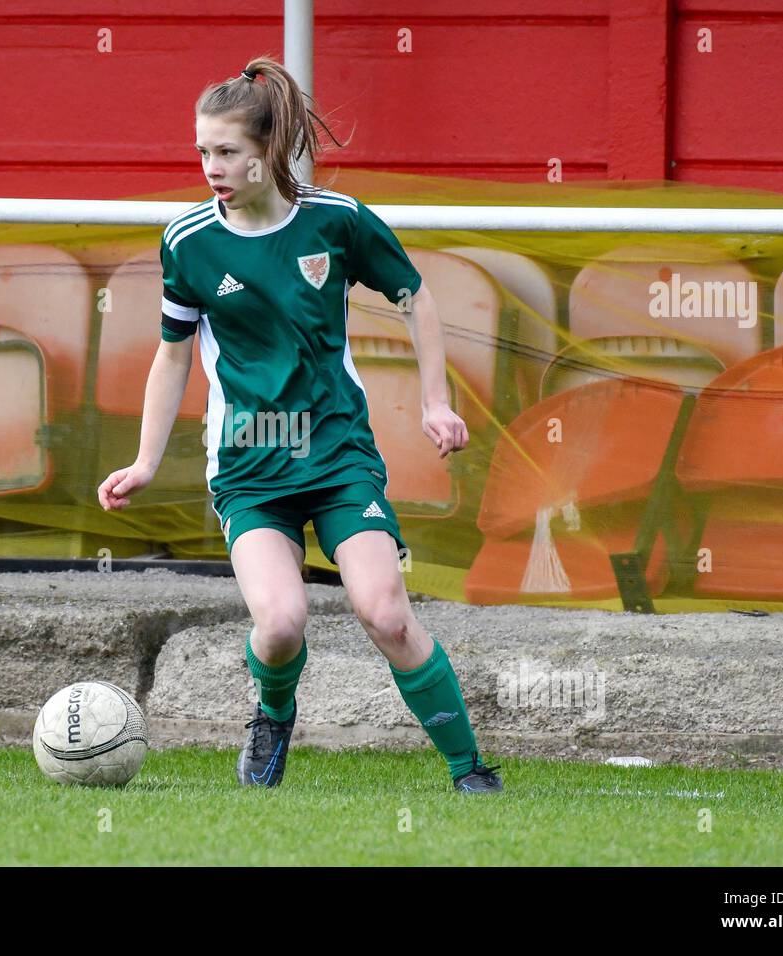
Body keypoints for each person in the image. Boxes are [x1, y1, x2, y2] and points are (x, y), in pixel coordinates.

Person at [97, 56, 502, 795]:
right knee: (281, 625)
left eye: (227, 153)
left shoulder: (336, 223)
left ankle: (469, 769)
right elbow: (172, 354)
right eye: (202, 152)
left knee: (384, 611)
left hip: (338, 453)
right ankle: (274, 714)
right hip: (250, 464)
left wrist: (436, 402)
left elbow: (415, 297)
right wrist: (146, 461)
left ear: (269, 153)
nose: (210, 167)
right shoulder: (188, 241)